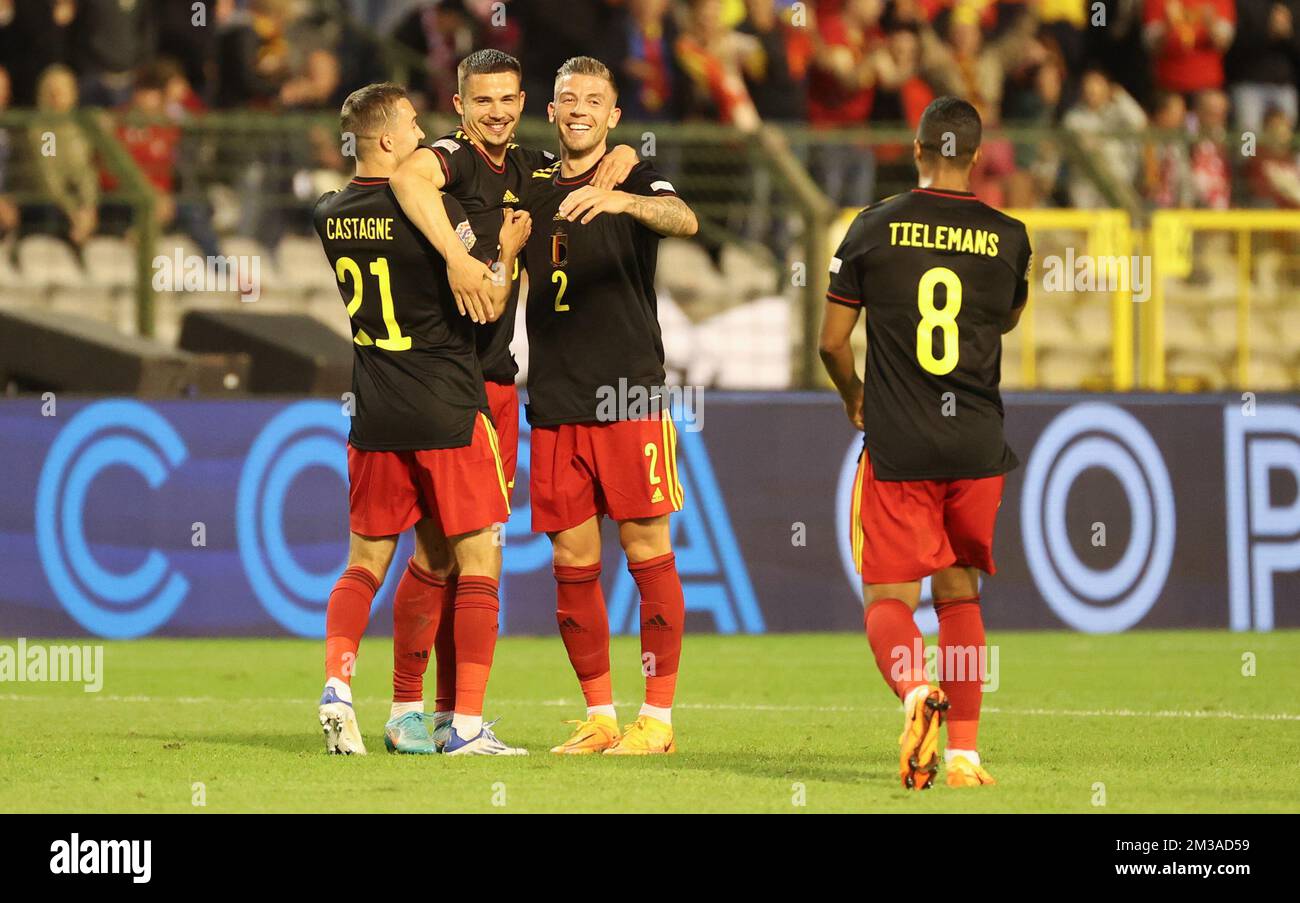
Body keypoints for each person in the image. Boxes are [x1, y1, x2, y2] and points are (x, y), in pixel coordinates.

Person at [385, 49, 638, 752]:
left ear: (524, 103)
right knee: (472, 554)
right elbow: (408, 176)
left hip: (489, 380)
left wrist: (618, 159)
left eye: (506, 100)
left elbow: (585, 165)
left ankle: (420, 715)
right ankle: (460, 722)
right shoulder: (451, 161)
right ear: (460, 107)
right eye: (481, 101)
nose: (495, 111)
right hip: (455, 384)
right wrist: (461, 256)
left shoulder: (528, 171)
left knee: (435, 554)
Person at [313, 82, 532, 757]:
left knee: (364, 563)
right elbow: (488, 300)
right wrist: (511, 247)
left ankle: (338, 686)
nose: (422, 131)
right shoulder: (429, 212)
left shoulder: (329, 213)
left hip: (374, 406)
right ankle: (464, 724)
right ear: (386, 141)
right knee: (480, 559)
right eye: (411, 123)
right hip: (443, 399)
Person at [818, 96, 1030, 790]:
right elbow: (1007, 317)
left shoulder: (872, 227)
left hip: (901, 437)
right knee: (959, 593)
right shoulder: (1008, 236)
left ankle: (916, 691)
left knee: (888, 597)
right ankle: (966, 755)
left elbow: (830, 342)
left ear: (916, 150)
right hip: (976, 442)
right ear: (975, 156)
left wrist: (855, 393)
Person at [522, 56, 698, 755]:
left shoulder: (635, 174)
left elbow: (682, 218)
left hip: (628, 393)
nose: (580, 109)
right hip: (557, 397)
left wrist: (624, 198)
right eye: (568, 98)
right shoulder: (529, 182)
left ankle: (656, 720)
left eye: (595, 99)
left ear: (614, 114)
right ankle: (599, 714)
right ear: (553, 109)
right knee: (572, 559)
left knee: (648, 551)